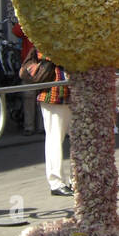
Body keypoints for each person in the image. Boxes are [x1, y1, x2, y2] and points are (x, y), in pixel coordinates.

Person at [36, 56, 72, 196]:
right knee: (55, 138)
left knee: (78, 138)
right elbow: (45, 54)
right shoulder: (44, 38)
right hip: (54, 92)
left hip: (71, 91)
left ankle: (75, 180)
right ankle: (56, 182)